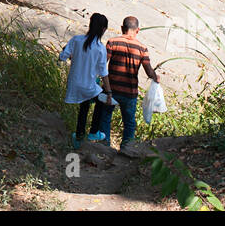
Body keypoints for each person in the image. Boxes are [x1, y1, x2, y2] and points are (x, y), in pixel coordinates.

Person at [102, 16, 161, 156]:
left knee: (105, 117)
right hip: (130, 92)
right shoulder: (142, 48)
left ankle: (104, 146)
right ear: (137, 30)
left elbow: (102, 63)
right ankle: (126, 147)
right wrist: (155, 76)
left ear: (122, 28)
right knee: (129, 122)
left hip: (112, 89)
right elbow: (148, 70)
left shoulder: (112, 42)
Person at [59, 13, 113, 149]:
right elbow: (103, 72)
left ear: (90, 25)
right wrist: (109, 91)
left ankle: (78, 137)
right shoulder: (100, 48)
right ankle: (93, 132)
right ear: (103, 29)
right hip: (88, 85)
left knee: (84, 107)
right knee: (101, 100)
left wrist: (71, 55)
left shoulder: (76, 40)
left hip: (74, 84)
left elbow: (63, 56)